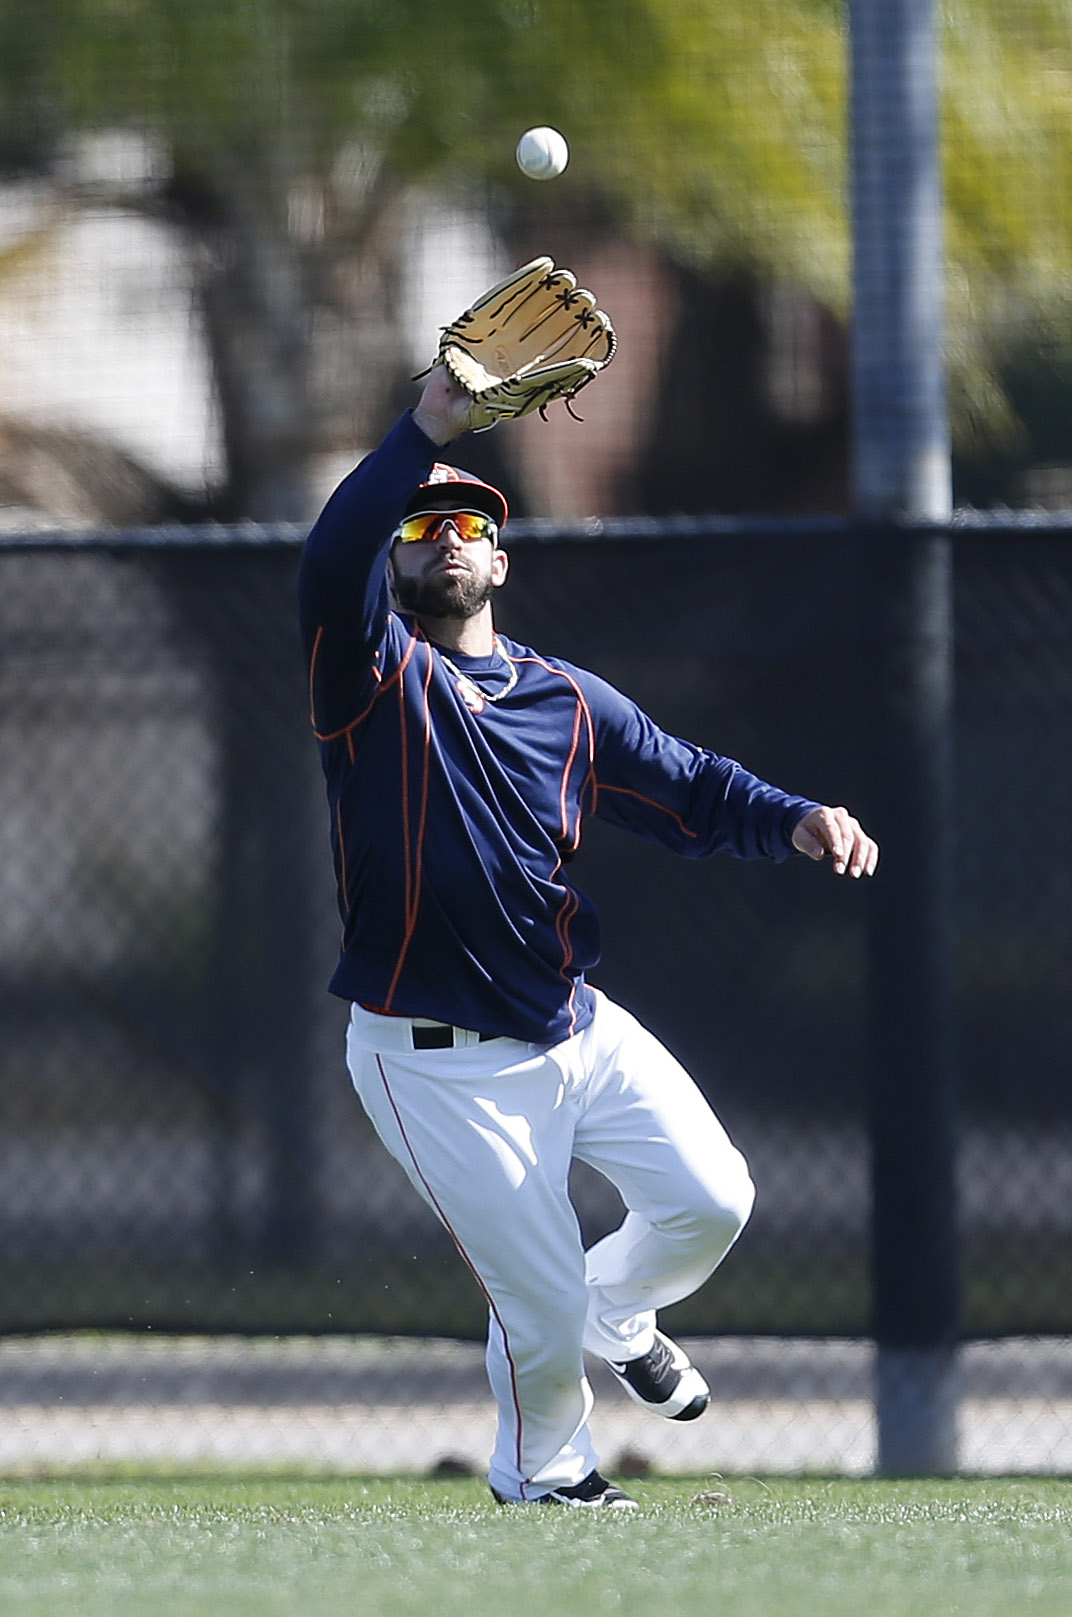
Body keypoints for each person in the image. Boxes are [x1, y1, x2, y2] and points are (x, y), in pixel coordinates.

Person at [298, 365, 879, 1509]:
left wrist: (798, 819)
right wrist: (424, 431)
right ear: (395, 561)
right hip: (434, 1061)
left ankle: (624, 1309)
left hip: (570, 1021)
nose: (443, 540)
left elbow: (693, 787)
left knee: (713, 1200)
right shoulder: (370, 680)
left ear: (500, 560)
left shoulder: (566, 699)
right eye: (420, 528)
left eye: (467, 525)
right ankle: (550, 1479)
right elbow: (328, 561)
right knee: (538, 1303)